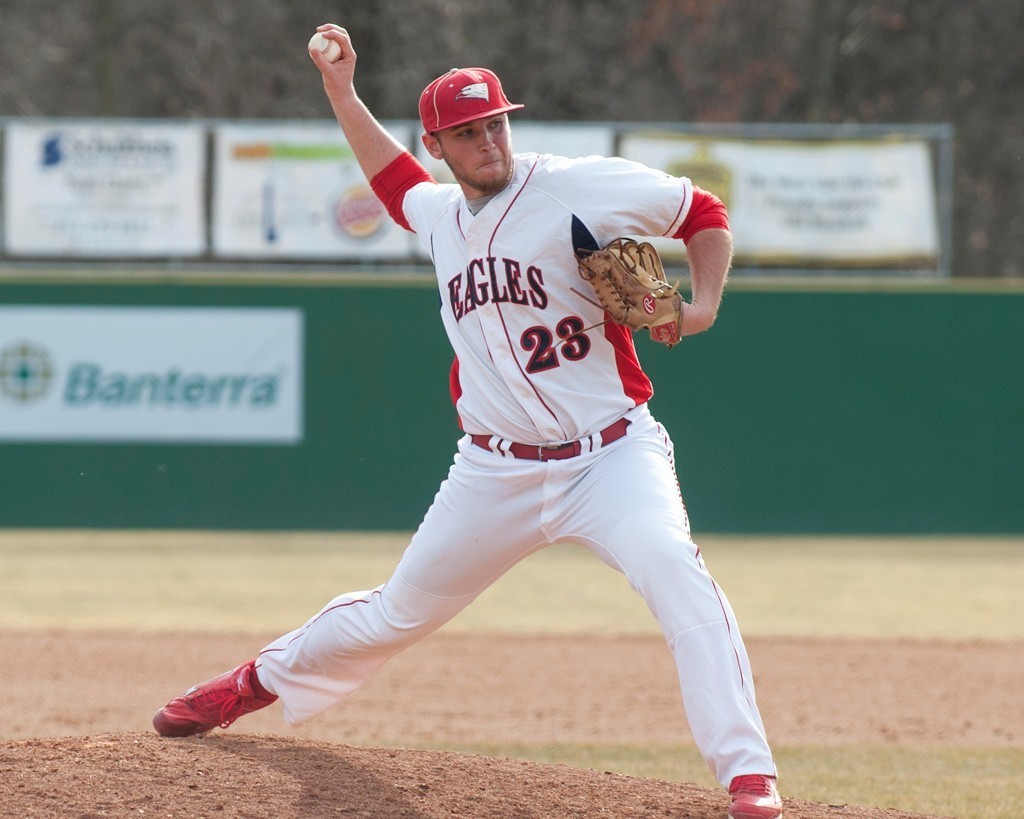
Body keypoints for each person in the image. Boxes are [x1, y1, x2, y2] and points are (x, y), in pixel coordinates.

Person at [152, 23, 783, 819]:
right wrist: (342, 92)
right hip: (495, 468)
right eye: (468, 133)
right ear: (439, 145)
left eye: (496, 124)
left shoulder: (578, 187)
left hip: (611, 454)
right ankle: (250, 683)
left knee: (674, 571)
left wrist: (704, 305)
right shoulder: (440, 214)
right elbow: (392, 181)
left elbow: (702, 210)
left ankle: (749, 775)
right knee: (396, 611)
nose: (488, 142)